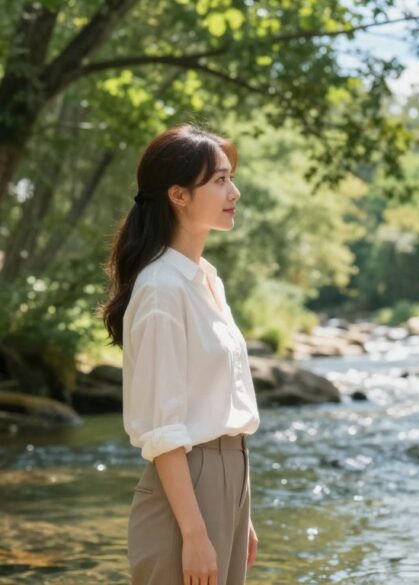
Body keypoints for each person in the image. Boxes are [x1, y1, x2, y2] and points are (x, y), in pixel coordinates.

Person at [101, 124, 260, 585]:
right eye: (219, 180)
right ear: (179, 195)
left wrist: (238, 510)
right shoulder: (161, 288)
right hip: (186, 491)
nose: (235, 191)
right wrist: (194, 532)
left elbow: (212, 401)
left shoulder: (207, 279)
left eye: (230, 177)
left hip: (230, 477)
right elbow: (164, 427)